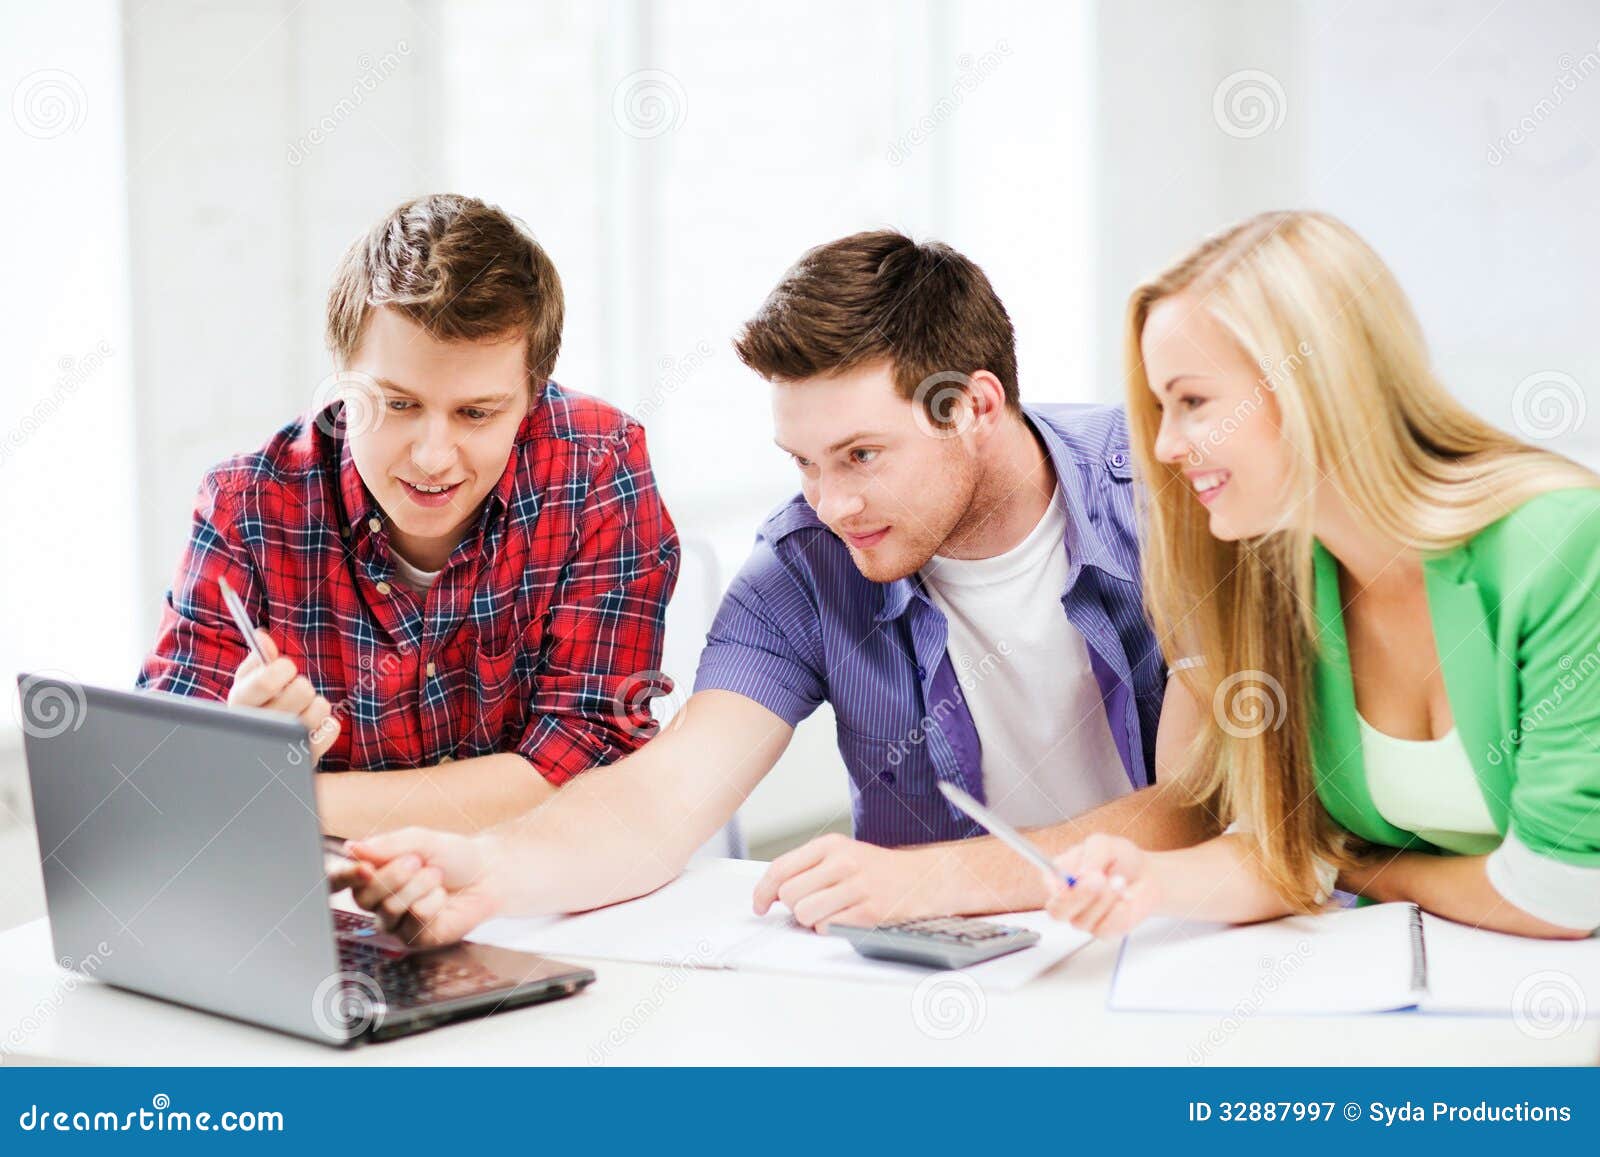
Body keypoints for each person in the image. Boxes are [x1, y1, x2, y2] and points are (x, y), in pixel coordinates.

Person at [340, 229, 1217, 946]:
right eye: (804, 461)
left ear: (974, 407)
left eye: (861, 455)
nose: (831, 502)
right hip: (960, 988)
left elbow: (1205, 802)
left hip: (1186, 948)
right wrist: (491, 871)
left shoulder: (1171, 496)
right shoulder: (807, 562)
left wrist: (935, 878)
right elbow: (667, 793)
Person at [1042, 209, 1600, 941]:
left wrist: (1371, 871)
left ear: (1314, 384)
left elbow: (1562, 893)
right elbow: (1285, 849)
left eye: (1193, 401)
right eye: (1159, 407)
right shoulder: (1279, 574)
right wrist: (1149, 878)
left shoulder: (1561, 544)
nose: (1167, 444)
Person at [137, 194, 679, 838]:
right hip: (331, 889)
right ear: (342, 378)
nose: (433, 457)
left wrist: (283, 795)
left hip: (532, 880)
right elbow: (165, 785)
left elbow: (590, 758)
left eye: (476, 413)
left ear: (532, 399)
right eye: (397, 405)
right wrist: (236, 751)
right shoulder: (248, 506)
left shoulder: (597, 464)